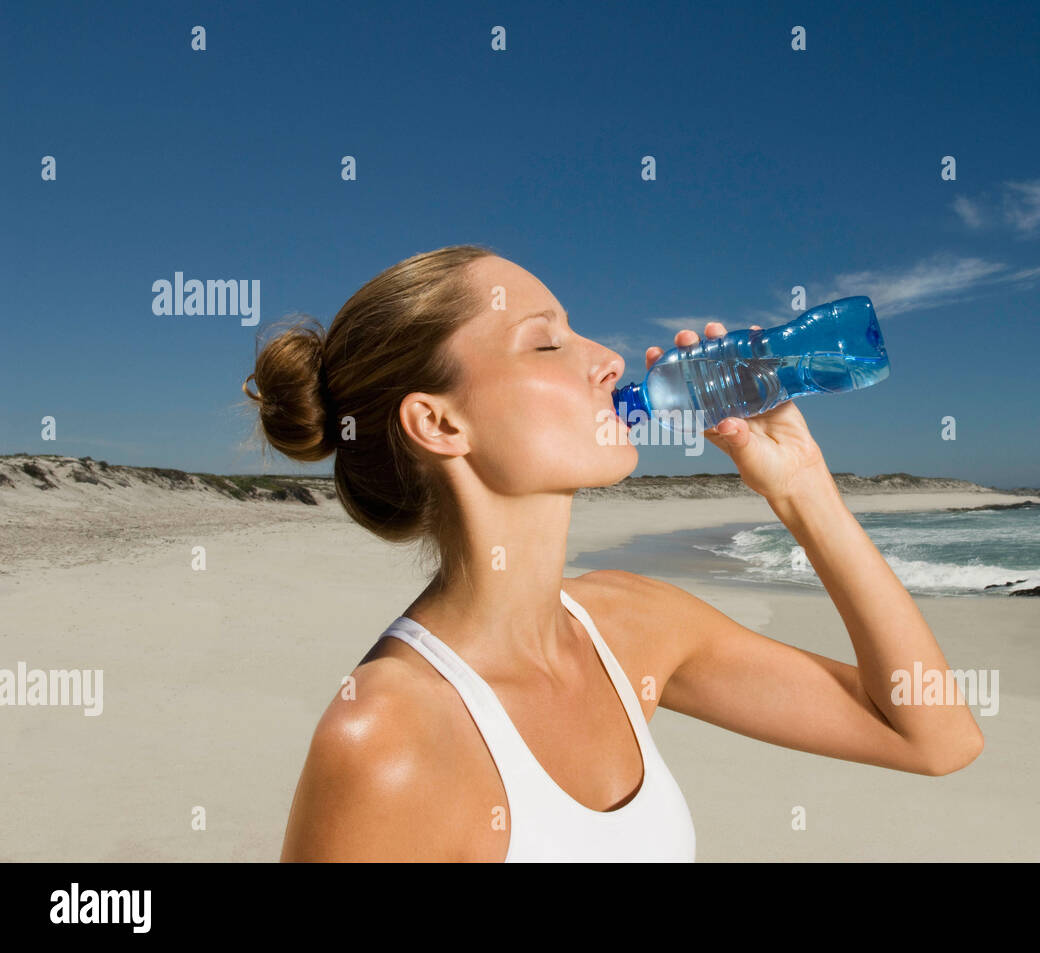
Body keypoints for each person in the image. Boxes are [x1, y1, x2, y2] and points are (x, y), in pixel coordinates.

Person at [243, 244, 983, 862]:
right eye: (547, 341)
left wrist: (802, 489)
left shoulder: (631, 624)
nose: (607, 358)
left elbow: (932, 733)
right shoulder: (387, 737)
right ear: (438, 422)